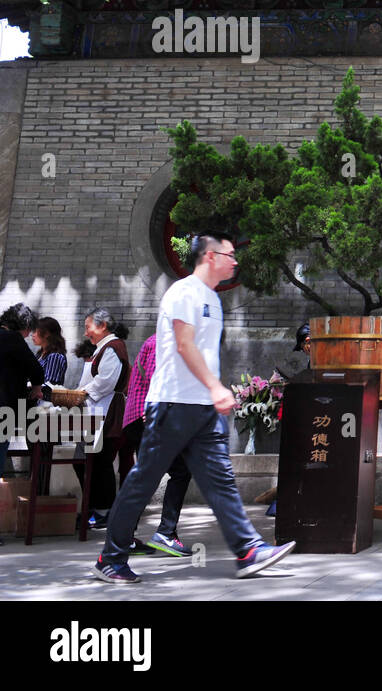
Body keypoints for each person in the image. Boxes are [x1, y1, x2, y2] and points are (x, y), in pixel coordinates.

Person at [93, 231, 295, 583]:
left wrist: (213, 395)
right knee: (143, 481)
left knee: (221, 482)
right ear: (210, 257)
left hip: (202, 410)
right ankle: (110, 558)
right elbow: (185, 346)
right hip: (173, 404)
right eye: (230, 254)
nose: (235, 260)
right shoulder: (184, 292)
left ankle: (248, 550)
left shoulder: (212, 299)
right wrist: (216, 387)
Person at [118, 333, 195, 557]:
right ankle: (164, 534)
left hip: (143, 417)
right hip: (147, 418)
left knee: (149, 477)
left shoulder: (165, 340)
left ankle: (126, 537)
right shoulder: (162, 341)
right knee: (175, 472)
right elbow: (158, 380)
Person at [71, 310, 131, 528]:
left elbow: (106, 380)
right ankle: (94, 507)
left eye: (89, 327)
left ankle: (104, 510)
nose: (87, 333)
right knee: (89, 462)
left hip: (108, 412)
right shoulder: (103, 348)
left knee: (102, 462)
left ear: (103, 325)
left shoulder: (113, 347)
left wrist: (83, 393)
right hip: (95, 410)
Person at [258, 321, 312, 518]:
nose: (305, 351)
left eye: (305, 346)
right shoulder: (312, 361)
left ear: (308, 341)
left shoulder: (320, 360)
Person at [0, 304, 42, 544]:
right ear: (24, 326)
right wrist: (36, 387)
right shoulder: (14, 340)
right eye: (29, 330)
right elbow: (35, 369)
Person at [32, 317, 68, 386]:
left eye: (36, 331)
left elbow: (49, 384)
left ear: (46, 334)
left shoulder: (55, 356)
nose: (33, 335)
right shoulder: (40, 354)